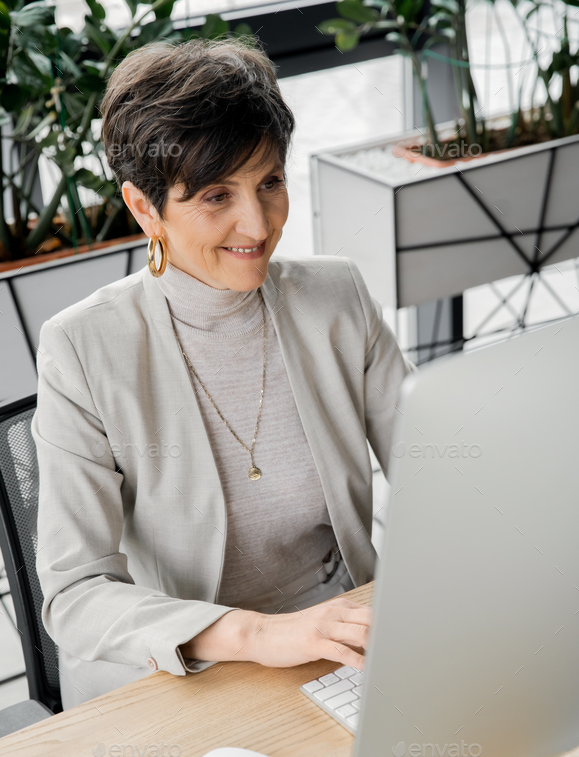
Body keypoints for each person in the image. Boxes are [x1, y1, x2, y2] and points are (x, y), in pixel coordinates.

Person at [31, 36, 416, 710]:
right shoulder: (83, 349)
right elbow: (76, 593)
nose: (257, 224)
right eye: (216, 195)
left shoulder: (337, 297)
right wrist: (261, 634)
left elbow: (436, 472)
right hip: (197, 671)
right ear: (144, 207)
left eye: (270, 182)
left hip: (349, 642)